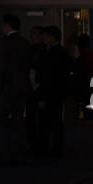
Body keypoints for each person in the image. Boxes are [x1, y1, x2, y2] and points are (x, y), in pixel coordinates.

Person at [0, 14, 34, 157]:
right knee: (19, 120)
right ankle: (22, 149)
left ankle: (4, 152)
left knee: (2, 122)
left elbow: (1, 68)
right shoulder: (24, 42)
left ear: (7, 26)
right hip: (22, 87)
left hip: (6, 88)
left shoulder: (4, 43)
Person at [32, 26, 71, 157]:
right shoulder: (59, 52)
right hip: (55, 93)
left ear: (51, 37)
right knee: (54, 122)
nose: (43, 38)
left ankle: (47, 149)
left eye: (45, 36)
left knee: (47, 122)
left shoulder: (51, 53)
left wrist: (42, 94)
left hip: (50, 92)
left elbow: (49, 76)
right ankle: (52, 148)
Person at [74, 32, 93, 120]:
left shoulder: (82, 55)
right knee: (88, 100)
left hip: (85, 81)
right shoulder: (92, 54)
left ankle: (88, 115)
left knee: (86, 100)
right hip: (90, 80)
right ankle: (89, 115)